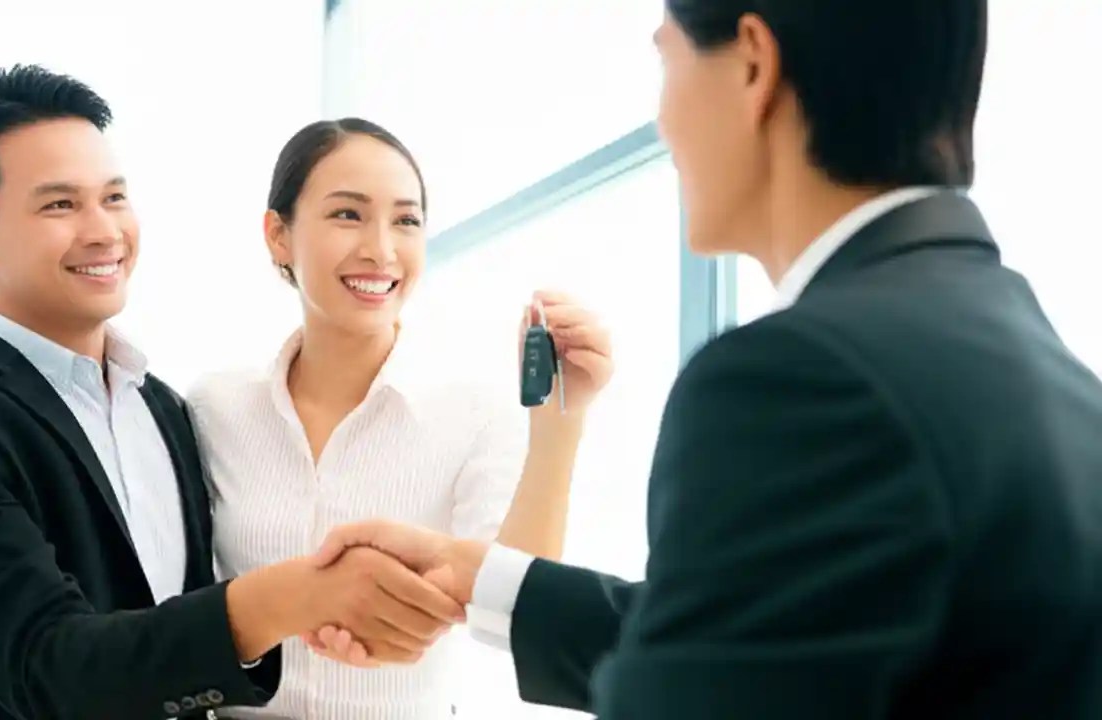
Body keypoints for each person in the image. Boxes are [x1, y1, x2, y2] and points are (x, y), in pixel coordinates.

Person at [311, 1, 1102, 718]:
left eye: (667, 61)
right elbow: (780, 634)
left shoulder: (799, 378)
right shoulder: (1043, 366)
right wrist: (485, 580)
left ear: (753, 64)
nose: (661, 123)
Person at [0, 65, 466, 720]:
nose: (104, 231)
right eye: (60, 204)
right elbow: (48, 670)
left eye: (113, 198)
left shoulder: (164, 408)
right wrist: (292, 596)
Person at [185, 118, 615, 719]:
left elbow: (516, 598)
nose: (381, 249)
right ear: (278, 236)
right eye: (347, 215)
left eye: (406, 221)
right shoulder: (213, 408)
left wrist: (558, 423)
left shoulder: (471, 409)